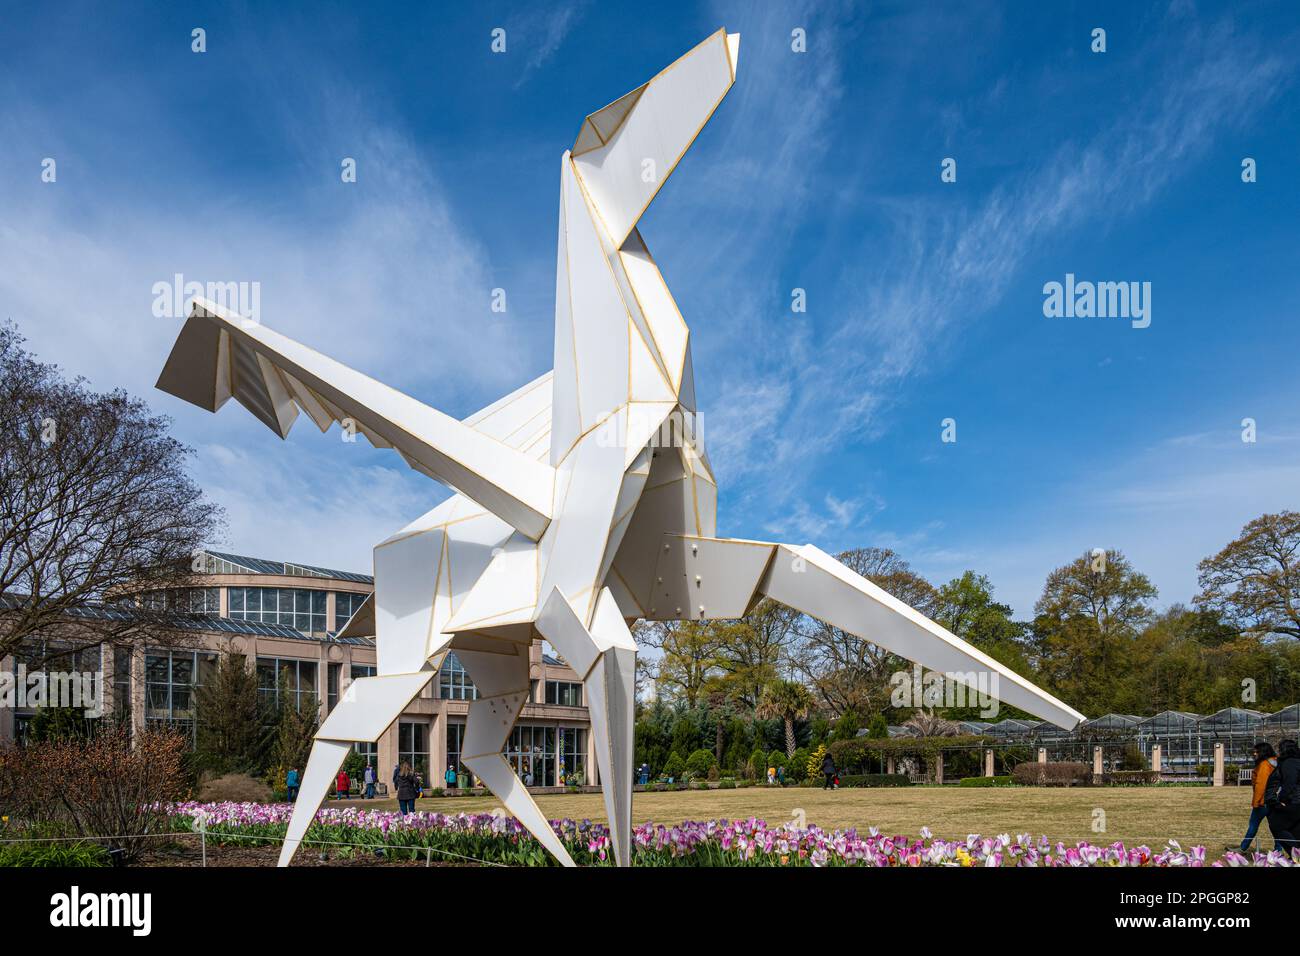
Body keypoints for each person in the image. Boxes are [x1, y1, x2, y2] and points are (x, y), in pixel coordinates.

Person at [1234, 741, 1276, 852]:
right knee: (1276, 827)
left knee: (1253, 825)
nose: (1254, 754)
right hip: (1274, 800)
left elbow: (1260, 785)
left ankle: (1243, 847)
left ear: (1262, 752)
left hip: (1263, 801)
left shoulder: (1264, 765)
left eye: (1256, 752)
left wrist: (1256, 802)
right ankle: (1278, 850)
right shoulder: (1275, 762)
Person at [1266, 738, 1300, 853]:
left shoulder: (1289, 763)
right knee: (1295, 829)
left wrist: (1281, 800)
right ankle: (1295, 854)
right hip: (1296, 802)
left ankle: (1296, 853)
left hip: (1294, 802)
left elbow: (1289, 784)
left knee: (1276, 824)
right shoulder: (1297, 761)